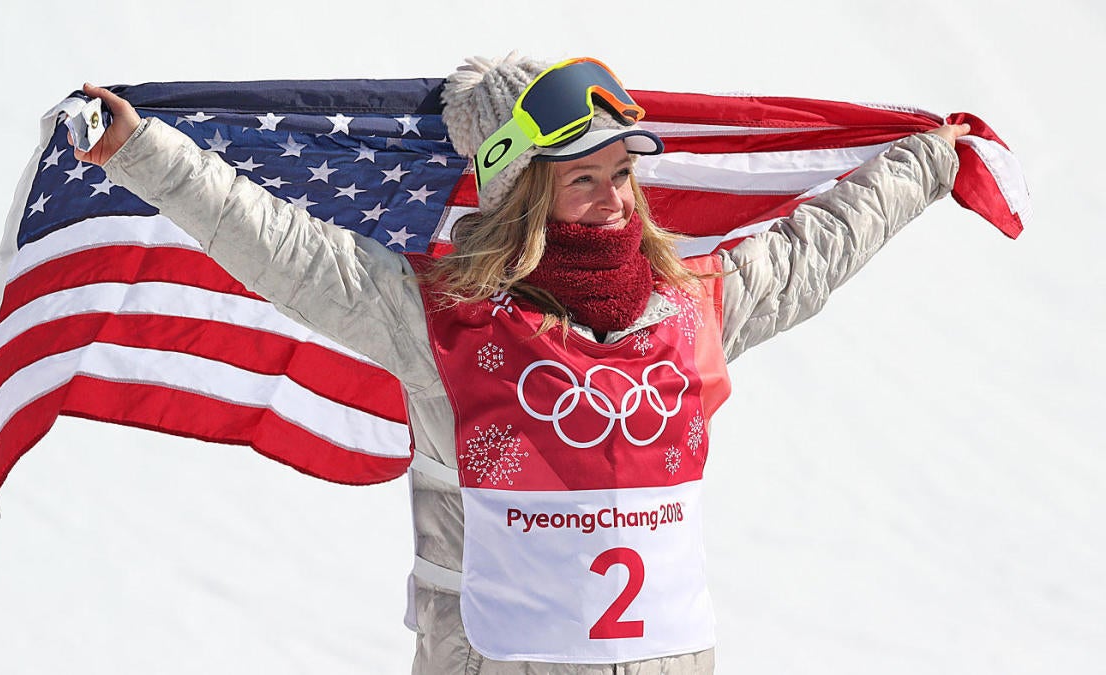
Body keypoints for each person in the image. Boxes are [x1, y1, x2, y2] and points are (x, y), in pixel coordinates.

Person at [75, 53, 969, 674]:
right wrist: (142, 152)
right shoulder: (440, 319)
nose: (615, 198)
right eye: (583, 180)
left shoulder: (689, 302)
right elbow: (286, 247)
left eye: (623, 172)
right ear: (525, 202)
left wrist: (933, 160)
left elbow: (823, 245)